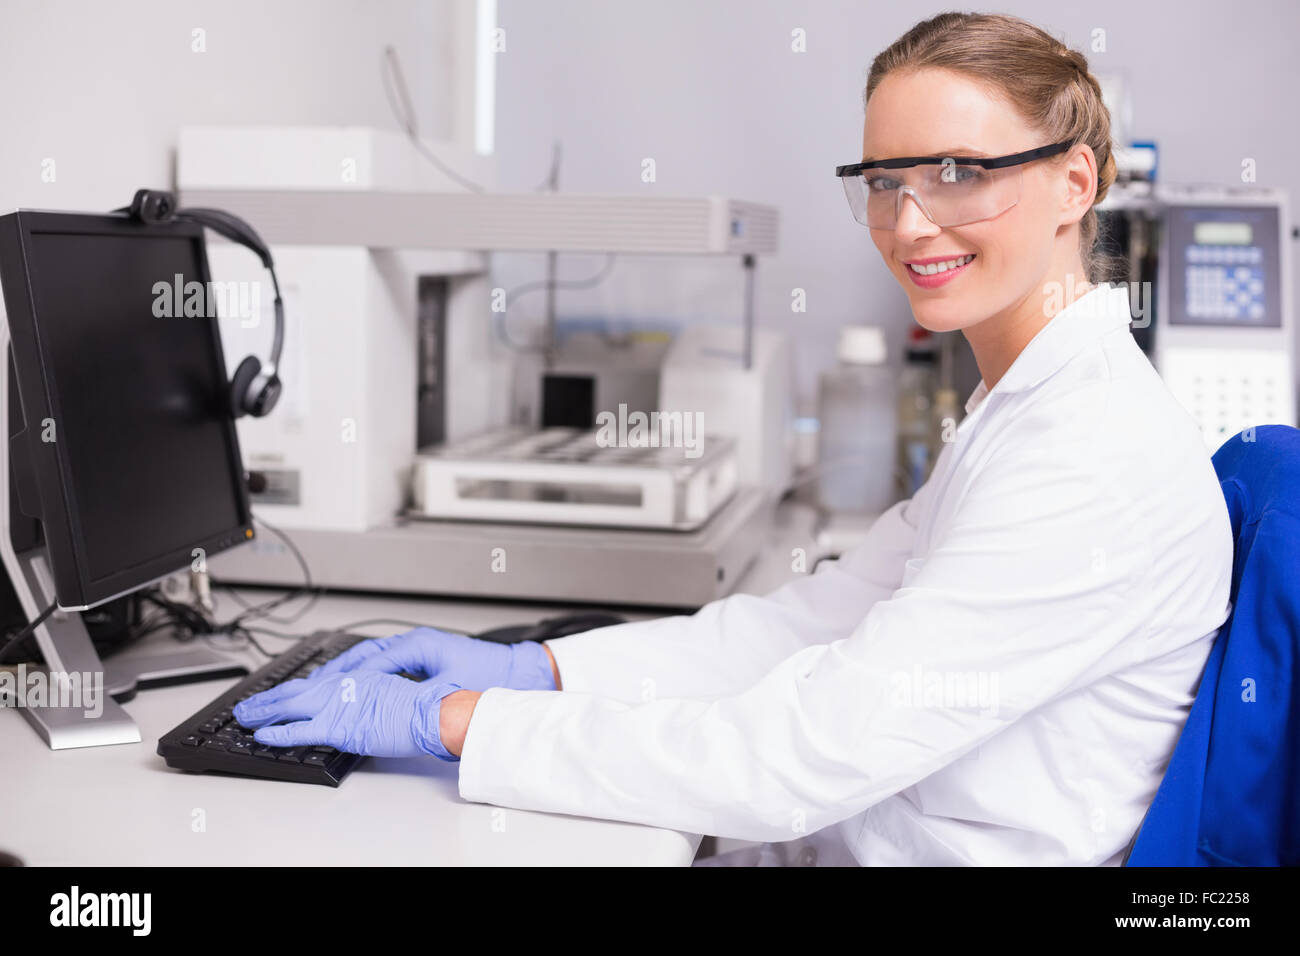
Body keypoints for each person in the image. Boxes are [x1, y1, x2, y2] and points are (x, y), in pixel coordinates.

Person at [234, 12, 1233, 866]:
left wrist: (447, 722)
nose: (910, 221)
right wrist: (533, 669)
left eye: (959, 172)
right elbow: (803, 627)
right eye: (884, 181)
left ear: (1073, 184)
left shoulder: (1085, 457)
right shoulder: (1023, 407)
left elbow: (796, 755)